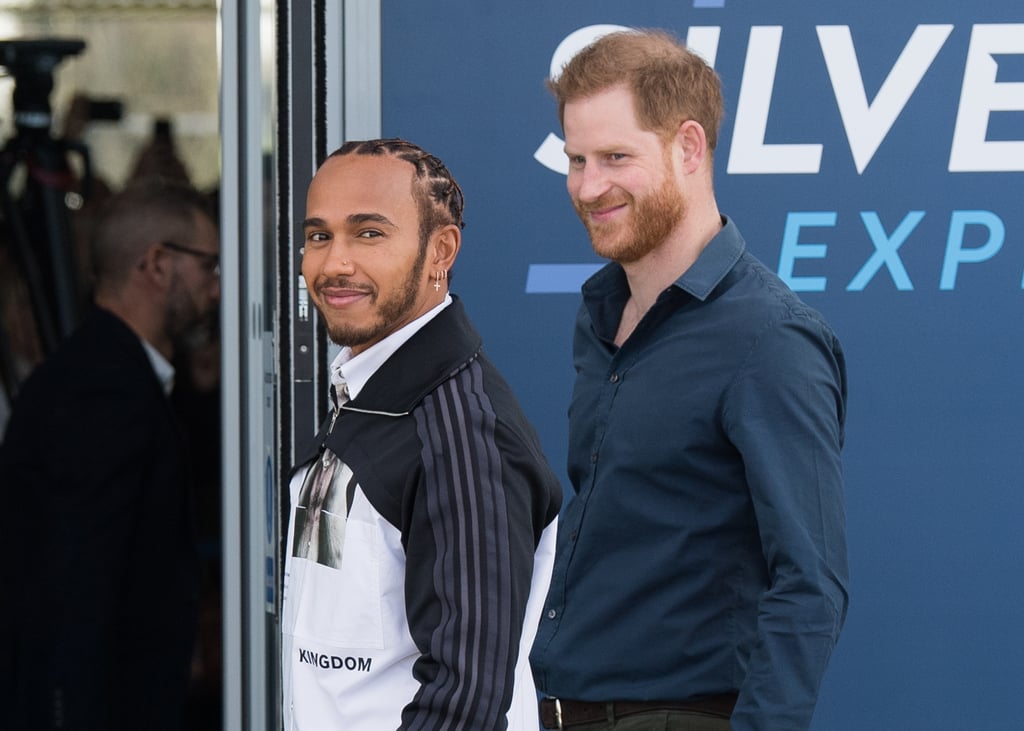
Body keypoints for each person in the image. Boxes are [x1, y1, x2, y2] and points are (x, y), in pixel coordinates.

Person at [529, 29, 849, 731]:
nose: (588, 186)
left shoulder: (769, 338)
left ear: (689, 148)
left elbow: (812, 583)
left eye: (616, 157)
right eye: (576, 159)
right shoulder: (599, 318)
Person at [281, 138, 562, 730]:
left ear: (441, 250)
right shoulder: (368, 394)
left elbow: (466, 698)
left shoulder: (461, 434)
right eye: (318, 236)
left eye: (369, 233)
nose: (335, 264)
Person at [0, 178, 221, 730]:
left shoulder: (115, 376)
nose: (215, 289)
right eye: (208, 266)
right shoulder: (100, 390)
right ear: (157, 264)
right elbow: (74, 586)